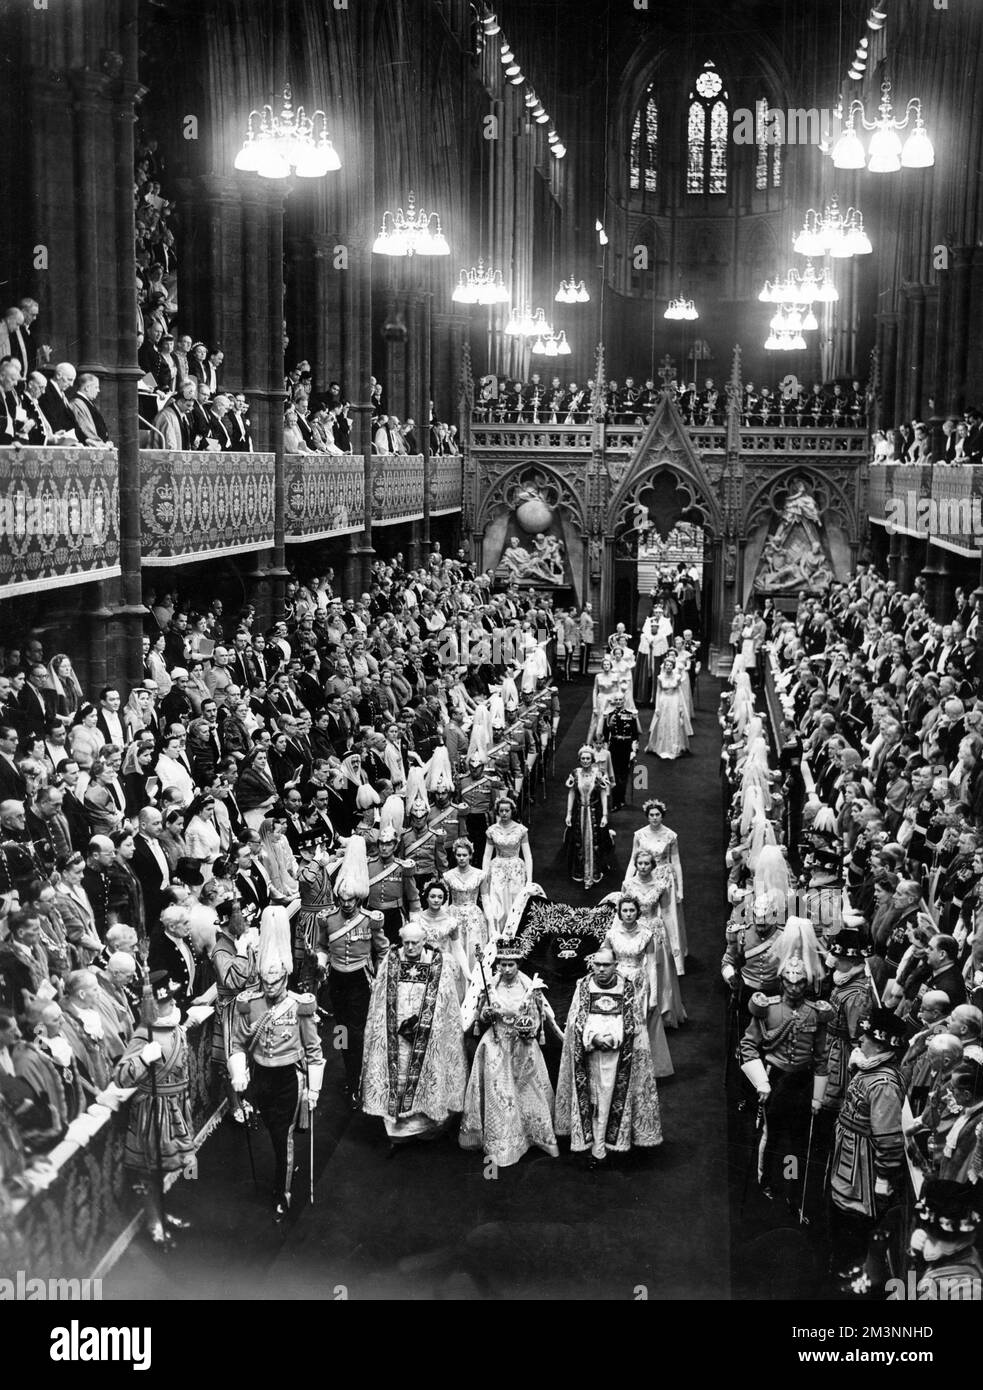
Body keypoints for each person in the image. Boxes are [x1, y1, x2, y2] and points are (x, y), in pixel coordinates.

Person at [228, 908, 324, 1221]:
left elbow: (314, 1049)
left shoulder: (301, 1006)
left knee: (282, 1137)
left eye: (276, 982)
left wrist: (314, 1088)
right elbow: (238, 1042)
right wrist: (238, 1071)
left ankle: (282, 1193)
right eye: (265, 982)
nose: (270, 988)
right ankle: (284, 1167)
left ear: (285, 977)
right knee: (272, 1133)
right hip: (261, 1078)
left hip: (288, 1079)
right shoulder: (250, 1003)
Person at [360, 920, 468, 1148]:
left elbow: (446, 1002)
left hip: (427, 1033)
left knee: (425, 1078)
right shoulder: (390, 961)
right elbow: (379, 1001)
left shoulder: (439, 963)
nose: (410, 948)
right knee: (397, 1078)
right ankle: (397, 1131)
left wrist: (427, 1023)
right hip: (395, 1035)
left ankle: (423, 1126)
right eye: (406, 943)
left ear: (424, 942)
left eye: (415, 943)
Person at [555, 944, 663, 1168]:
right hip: (589, 1055)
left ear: (615, 965)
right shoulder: (583, 986)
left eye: (606, 965)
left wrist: (613, 1038)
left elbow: (634, 1022)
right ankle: (594, 1144)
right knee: (593, 1101)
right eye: (597, 964)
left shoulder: (627, 987)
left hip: (617, 1055)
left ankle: (605, 1145)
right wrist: (593, 1038)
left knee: (608, 1100)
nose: (601, 969)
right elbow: (575, 1020)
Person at [739, 957, 832, 1209]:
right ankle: (766, 1180)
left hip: (802, 1081)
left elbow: (822, 1057)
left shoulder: (815, 1013)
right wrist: (761, 1082)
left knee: (796, 1139)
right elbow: (748, 1046)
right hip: (775, 1078)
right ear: (781, 982)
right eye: (789, 983)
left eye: (800, 983)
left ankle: (791, 1183)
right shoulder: (767, 1008)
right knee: (772, 1135)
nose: (794, 988)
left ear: (806, 984)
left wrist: (817, 1097)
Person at [112, 971, 197, 1245]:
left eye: (171, 1000)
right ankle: (154, 1222)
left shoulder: (173, 1026)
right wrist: (143, 1060)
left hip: (174, 1106)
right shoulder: (143, 1034)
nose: (172, 1005)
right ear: (152, 1006)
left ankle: (162, 1212)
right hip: (153, 1112)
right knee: (151, 1170)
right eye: (165, 1002)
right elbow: (121, 1075)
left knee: (163, 1170)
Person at [459, 938, 559, 1167]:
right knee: (499, 1094)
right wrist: (488, 1014)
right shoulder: (491, 985)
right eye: (502, 965)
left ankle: (536, 1137)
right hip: (496, 1044)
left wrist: (528, 1028)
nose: (505, 969)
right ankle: (502, 1144)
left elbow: (538, 1019)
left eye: (510, 965)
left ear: (518, 964)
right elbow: (480, 1017)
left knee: (528, 1092)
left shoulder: (530, 987)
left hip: (524, 1046)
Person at [827, 1006, 907, 1285]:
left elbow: (889, 1139)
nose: (860, 1040)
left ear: (880, 1043)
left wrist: (884, 1178)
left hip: (863, 1166)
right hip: (849, 1155)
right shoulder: (869, 1069)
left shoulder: (883, 1083)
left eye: (866, 1037)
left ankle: (856, 1274)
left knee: (857, 1222)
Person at [314, 837, 389, 1108]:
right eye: (342, 900)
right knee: (341, 1030)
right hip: (337, 980)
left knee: (357, 1031)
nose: (346, 905)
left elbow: (382, 951)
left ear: (358, 898)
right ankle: (348, 1069)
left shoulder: (371, 921)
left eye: (350, 900)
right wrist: (321, 963)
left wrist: (380, 974)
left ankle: (359, 1076)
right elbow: (322, 946)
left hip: (360, 980)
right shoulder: (327, 919)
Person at [629, 799, 687, 974]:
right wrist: (627, 881)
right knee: (646, 914)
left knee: (668, 917)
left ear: (662, 816)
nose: (654, 818)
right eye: (651, 815)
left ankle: (671, 956)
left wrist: (680, 889)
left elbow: (676, 862)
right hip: (645, 878)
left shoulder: (670, 836)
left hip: (665, 879)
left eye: (657, 815)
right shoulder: (639, 835)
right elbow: (633, 860)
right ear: (647, 817)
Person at [409, 878, 469, 1003]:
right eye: (433, 896)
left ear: (444, 899)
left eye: (440, 897)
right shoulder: (416, 919)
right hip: (422, 964)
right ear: (426, 897)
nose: (436, 900)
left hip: (443, 963)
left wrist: (467, 972)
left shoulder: (451, 922)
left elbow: (457, 948)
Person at [482, 796, 532, 935]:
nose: (504, 814)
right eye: (501, 811)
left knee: (515, 901)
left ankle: (514, 935)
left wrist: (530, 879)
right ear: (497, 812)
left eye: (507, 810)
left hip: (516, 869)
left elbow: (527, 855)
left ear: (512, 811)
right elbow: (487, 855)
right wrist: (484, 877)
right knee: (497, 903)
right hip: (498, 868)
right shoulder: (492, 830)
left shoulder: (521, 830)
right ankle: (499, 937)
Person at [564, 745, 610, 889]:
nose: (585, 761)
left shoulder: (598, 773)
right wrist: (569, 813)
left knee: (595, 843)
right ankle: (581, 872)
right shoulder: (575, 773)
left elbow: (603, 793)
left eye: (588, 758)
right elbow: (571, 793)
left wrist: (604, 815)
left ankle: (592, 874)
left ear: (592, 759)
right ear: (579, 759)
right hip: (579, 813)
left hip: (594, 813)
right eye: (583, 758)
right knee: (579, 842)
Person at [443, 836, 489, 968]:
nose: (461, 858)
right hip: (454, 915)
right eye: (458, 855)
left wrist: (491, 921)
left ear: (470, 855)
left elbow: (485, 899)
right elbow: (445, 902)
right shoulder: (448, 876)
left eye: (464, 855)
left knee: (473, 950)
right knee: (455, 952)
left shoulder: (480, 875)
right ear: (455, 856)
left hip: (473, 916)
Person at [645, 652, 693, 759]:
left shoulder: (677, 677)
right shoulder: (660, 677)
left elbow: (679, 692)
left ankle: (674, 747)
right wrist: (657, 706)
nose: (668, 667)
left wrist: (680, 706)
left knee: (674, 721)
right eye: (666, 665)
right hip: (663, 700)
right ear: (664, 666)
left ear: (673, 666)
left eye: (670, 665)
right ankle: (661, 747)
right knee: (663, 721)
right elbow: (658, 692)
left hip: (674, 700)